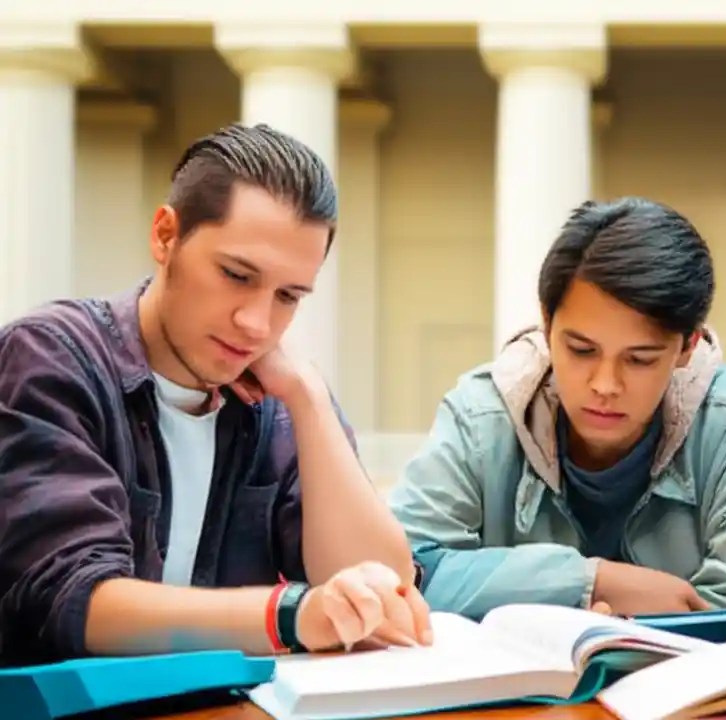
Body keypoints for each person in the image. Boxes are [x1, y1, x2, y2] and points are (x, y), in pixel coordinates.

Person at [0, 124, 430, 665]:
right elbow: (76, 601)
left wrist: (309, 399)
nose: (256, 323)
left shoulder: (280, 397)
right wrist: (290, 613)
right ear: (164, 236)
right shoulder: (51, 357)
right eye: (235, 275)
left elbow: (385, 595)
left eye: (289, 296)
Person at [389, 197, 726, 618]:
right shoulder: (482, 415)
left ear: (688, 345)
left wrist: (616, 638)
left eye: (640, 359)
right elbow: (398, 572)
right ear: (546, 323)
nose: (605, 385)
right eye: (581, 350)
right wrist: (586, 581)